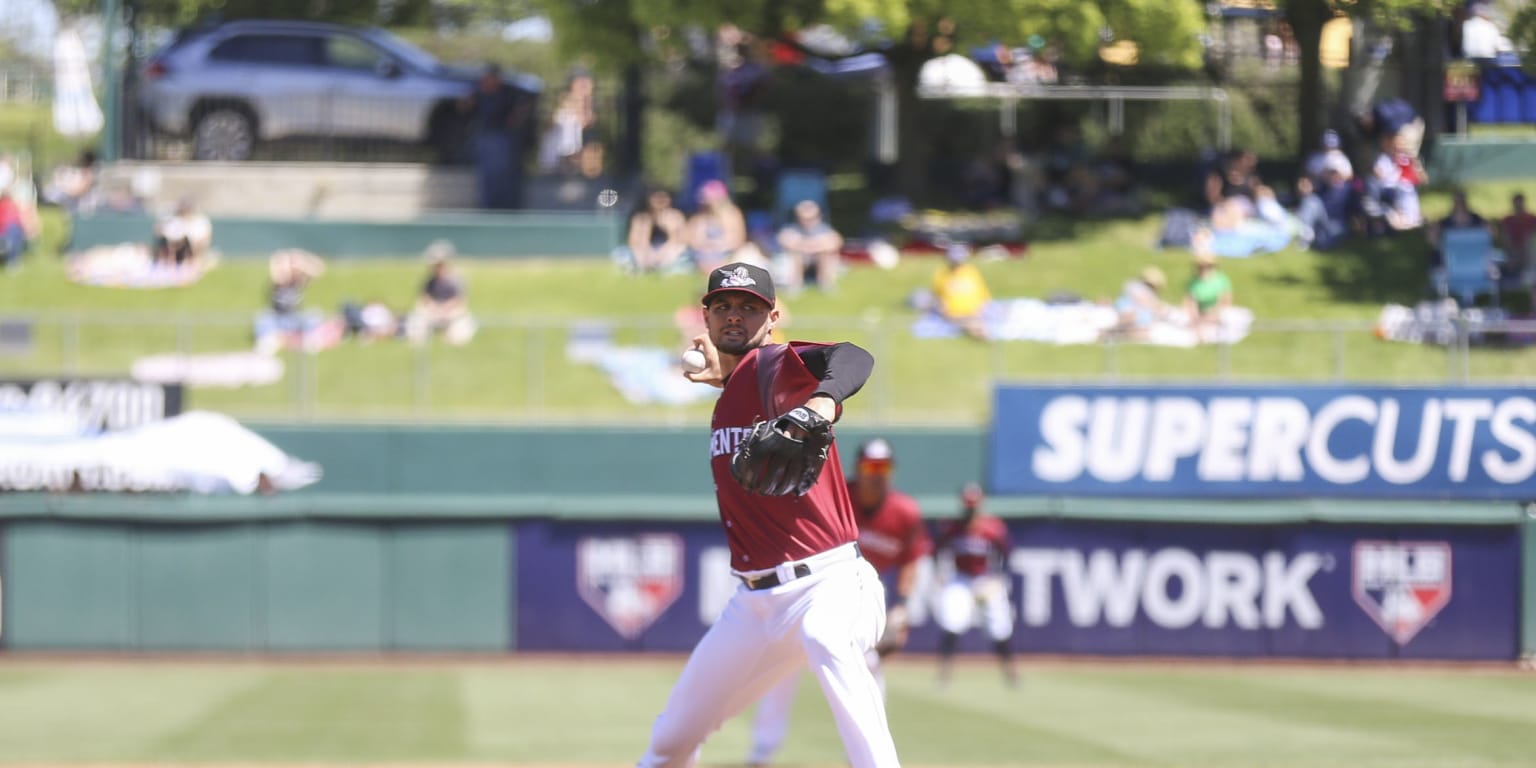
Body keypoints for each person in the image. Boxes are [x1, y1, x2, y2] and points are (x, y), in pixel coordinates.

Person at [637, 262, 899, 768]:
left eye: (749, 307)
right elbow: (749, 391)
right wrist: (725, 380)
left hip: (830, 581)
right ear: (706, 317)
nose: (735, 315)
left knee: (828, 636)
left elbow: (852, 356)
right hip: (754, 604)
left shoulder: (780, 363)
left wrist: (820, 404)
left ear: (772, 315)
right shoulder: (738, 385)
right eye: (723, 306)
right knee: (670, 742)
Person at [745, 437, 931, 767]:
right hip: (817, 588)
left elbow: (911, 561)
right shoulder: (836, 496)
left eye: (883, 467)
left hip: (861, 597)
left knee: (869, 667)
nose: (877, 474)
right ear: (859, 468)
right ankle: (761, 752)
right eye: (871, 466)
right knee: (782, 664)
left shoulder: (904, 512)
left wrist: (900, 611)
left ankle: (865, 758)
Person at [933, 483, 1018, 688]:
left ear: (981, 504)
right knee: (952, 621)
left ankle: (1011, 674)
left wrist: (999, 578)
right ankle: (944, 674)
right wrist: (940, 573)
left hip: (985, 578)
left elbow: (1006, 554)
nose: (971, 509)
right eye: (968, 505)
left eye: (974, 505)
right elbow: (936, 550)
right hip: (960, 578)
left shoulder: (993, 527)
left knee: (1000, 626)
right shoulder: (951, 527)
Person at [461, 63, 531, 210]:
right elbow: (464, 107)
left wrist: (514, 119)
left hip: (503, 139)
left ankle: (508, 207)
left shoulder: (509, 92)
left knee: (504, 174)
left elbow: (523, 107)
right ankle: (488, 206)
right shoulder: (478, 92)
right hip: (484, 138)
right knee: (488, 176)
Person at [404, 241, 477, 346]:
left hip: (451, 311)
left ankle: (449, 336)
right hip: (433, 310)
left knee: (461, 329)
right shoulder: (430, 280)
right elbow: (425, 297)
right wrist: (433, 308)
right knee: (417, 319)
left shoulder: (457, 278)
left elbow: (459, 299)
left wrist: (445, 309)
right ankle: (420, 338)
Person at [775, 199, 844, 293]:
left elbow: (836, 242)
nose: (807, 221)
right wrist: (814, 245)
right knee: (796, 254)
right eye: (804, 218)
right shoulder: (791, 228)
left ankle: (825, 283)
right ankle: (796, 285)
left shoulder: (824, 229)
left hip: (818, 261)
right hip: (798, 262)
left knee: (824, 254)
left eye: (811, 218)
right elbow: (785, 241)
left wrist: (807, 246)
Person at [927, 242, 992, 340]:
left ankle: (977, 330)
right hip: (953, 313)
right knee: (969, 323)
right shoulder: (942, 274)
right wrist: (943, 308)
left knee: (976, 320)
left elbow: (983, 295)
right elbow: (936, 296)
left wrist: (979, 309)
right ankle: (978, 331)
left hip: (973, 312)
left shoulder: (971, 272)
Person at [615, 188, 688, 274]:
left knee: (677, 250)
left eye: (663, 198)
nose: (660, 201)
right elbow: (634, 241)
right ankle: (644, 267)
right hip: (646, 250)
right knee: (621, 253)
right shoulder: (642, 217)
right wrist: (649, 253)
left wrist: (670, 231)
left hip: (669, 250)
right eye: (656, 198)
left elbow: (682, 241)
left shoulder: (676, 216)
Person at [686, 180, 748, 273]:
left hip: (727, 252)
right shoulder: (700, 216)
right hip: (704, 253)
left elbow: (738, 240)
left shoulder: (732, 214)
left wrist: (719, 246)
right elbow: (692, 239)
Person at [1183, 250, 1233, 342]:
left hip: (1216, 312)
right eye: (1200, 267)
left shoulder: (1221, 280)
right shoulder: (1193, 282)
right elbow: (1190, 302)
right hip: (1200, 313)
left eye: (1207, 267)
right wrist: (1196, 316)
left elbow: (1225, 301)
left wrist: (1213, 314)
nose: (1203, 269)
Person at [1109, 266, 1170, 340]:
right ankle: (1116, 331)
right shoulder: (1134, 286)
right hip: (1127, 312)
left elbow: (1155, 305)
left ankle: (1122, 332)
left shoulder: (1147, 293)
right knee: (1131, 316)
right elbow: (1142, 300)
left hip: (1140, 318)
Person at [151, 197, 212, 267]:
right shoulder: (175, 220)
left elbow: (205, 239)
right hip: (175, 246)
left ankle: (190, 264)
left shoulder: (201, 221)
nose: (186, 211)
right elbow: (164, 232)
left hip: (191, 247)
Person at [1500, 192, 1536, 284]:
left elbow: (1531, 238)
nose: (1518, 206)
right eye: (1516, 204)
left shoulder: (1531, 218)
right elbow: (1506, 238)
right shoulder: (1508, 220)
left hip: (1528, 252)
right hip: (1513, 252)